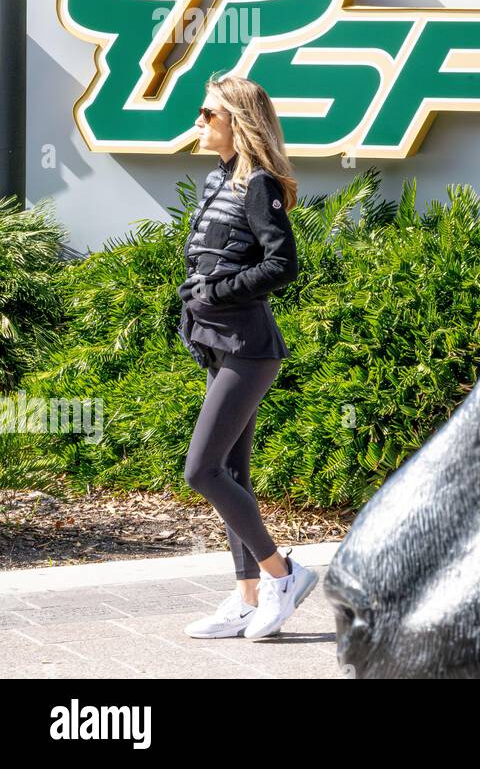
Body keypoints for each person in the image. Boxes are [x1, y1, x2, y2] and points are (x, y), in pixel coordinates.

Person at [179, 74, 318, 641]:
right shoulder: (218, 179)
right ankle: (247, 598)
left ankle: (282, 575)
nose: (200, 122)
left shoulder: (258, 184)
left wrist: (216, 291)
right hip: (218, 343)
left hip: (248, 349)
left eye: (208, 113)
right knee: (232, 471)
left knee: (202, 470)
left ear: (238, 119)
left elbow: (282, 266)